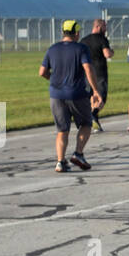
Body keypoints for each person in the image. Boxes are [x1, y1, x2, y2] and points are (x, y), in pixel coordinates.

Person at [39, 19, 103, 173]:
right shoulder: (81, 48)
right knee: (86, 124)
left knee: (62, 130)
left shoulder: (52, 49)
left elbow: (42, 72)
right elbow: (88, 68)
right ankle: (78, 154)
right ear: (76, 33)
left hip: (56, 94)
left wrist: (53, 79)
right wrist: (95, 90)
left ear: (63, 32)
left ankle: (60, 162)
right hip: (77, 93)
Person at [80, 19, 114, 132]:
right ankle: (92, 115)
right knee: (101, 97)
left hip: (86, 72)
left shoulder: (84, 40)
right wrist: (112, 51)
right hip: (99, 72)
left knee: (91, 96)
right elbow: (107, 54)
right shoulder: (102, 39)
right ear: (98, 27)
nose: (106, 29)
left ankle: (95, 123)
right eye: (104, 27)